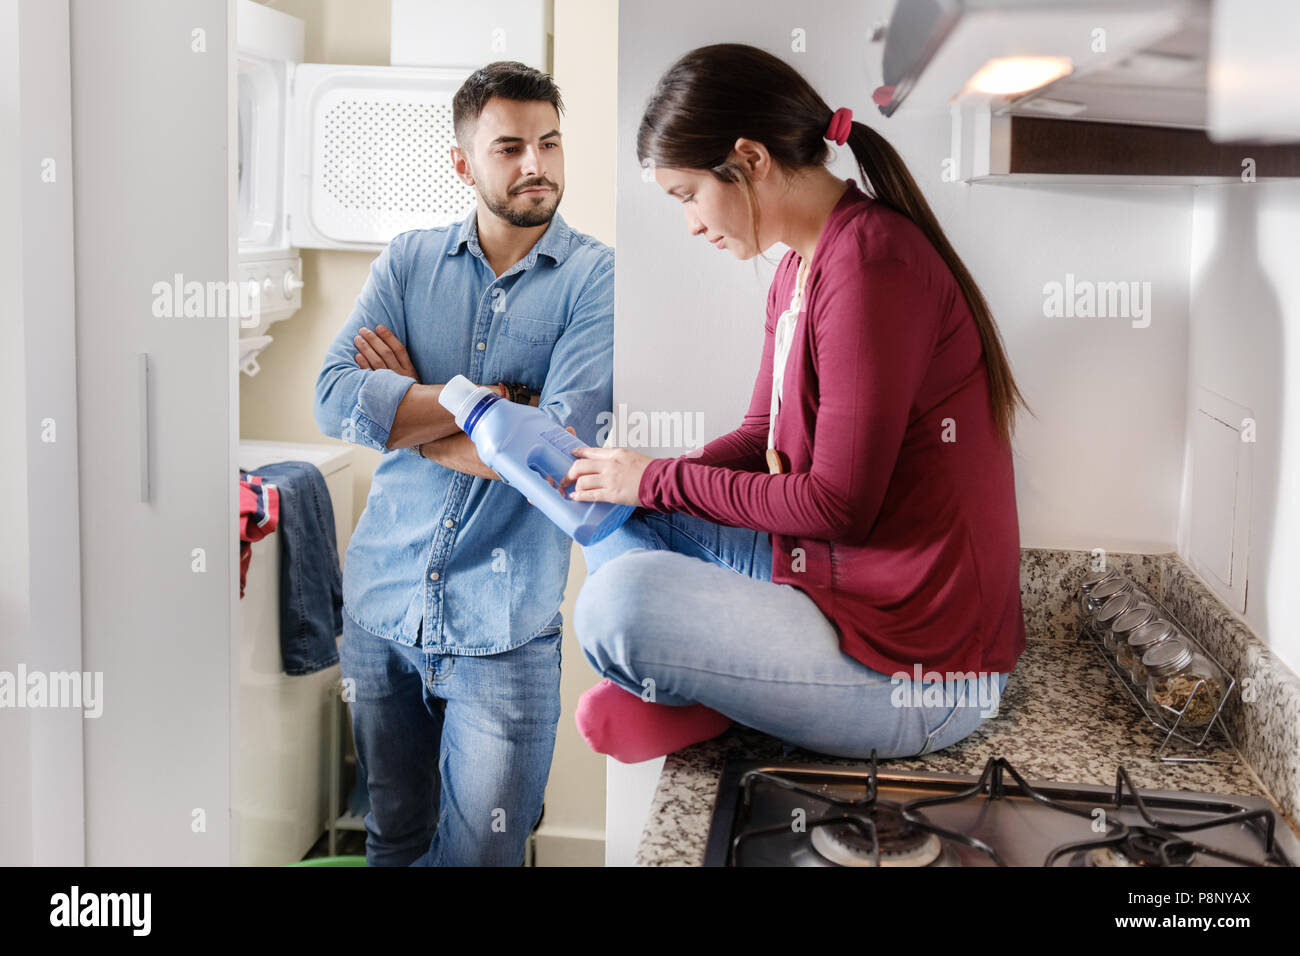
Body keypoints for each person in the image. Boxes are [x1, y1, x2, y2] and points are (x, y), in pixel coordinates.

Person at [558, 43, 1029, 764]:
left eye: (687, 194)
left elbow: (840, 506)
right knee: (615, 525)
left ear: (750, 159)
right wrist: (635, 482)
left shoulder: (873, 266)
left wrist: (654, 478)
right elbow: (759, 436)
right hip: (837, 585)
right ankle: (716, 697)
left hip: (923, 677)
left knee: (616, 605)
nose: (688, 222)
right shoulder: (800, 268)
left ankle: (707, 698)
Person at [313, 61, 614, 865]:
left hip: (505, 631)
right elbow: (333, 396)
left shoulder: (597, 279)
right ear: (463, 164)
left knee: (481, 856)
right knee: (393, 841)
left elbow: (562, 459)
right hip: (381, 612)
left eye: (549, 143)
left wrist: (405, 405)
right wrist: (489, 406)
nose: (535, 166)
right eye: (510, 147)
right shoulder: (408, 261)